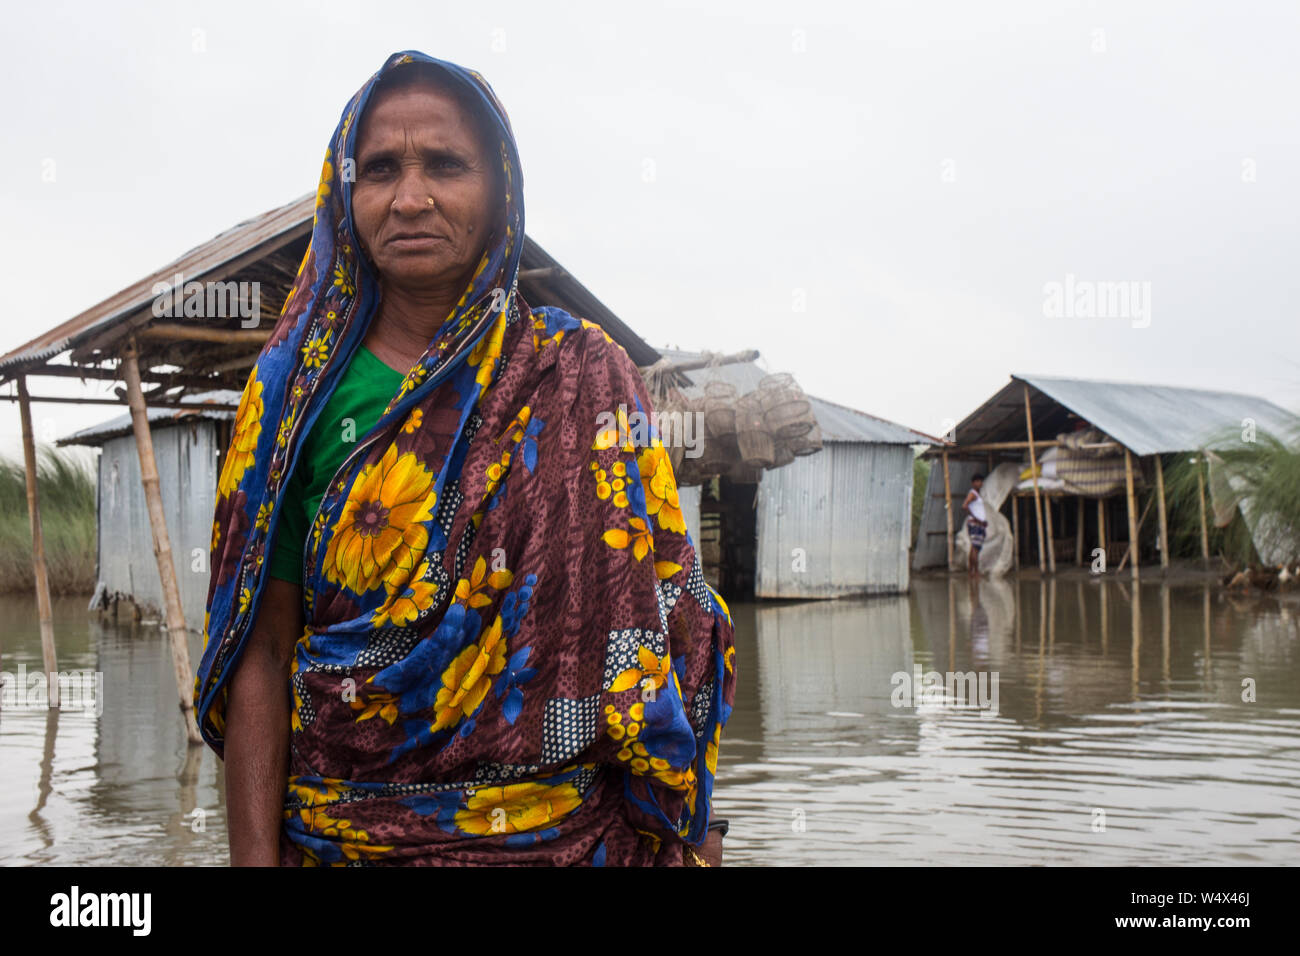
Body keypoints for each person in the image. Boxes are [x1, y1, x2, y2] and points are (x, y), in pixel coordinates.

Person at [196, 51, 736, 866]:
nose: (410, 197)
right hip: (344, 838)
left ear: (500, 193)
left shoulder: (582, 374)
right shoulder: (288, 400)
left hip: (561, 839)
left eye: (445, 165)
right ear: (345, 192)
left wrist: (688, 825)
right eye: (380, 169)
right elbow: (261, 654)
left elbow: (665, 613)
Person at [962, 474, 987, 575]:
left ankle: (971, 571)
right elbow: (964, 506)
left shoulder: (977, 494)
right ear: (973, 483)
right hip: (975, 524)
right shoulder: (972, 494)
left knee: (974, 548)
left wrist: (982, 521)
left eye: (981, 481)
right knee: (975, 549)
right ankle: (975, 572)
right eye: (978, 481)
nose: (980, 483)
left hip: (979, 524)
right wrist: (976, 519)